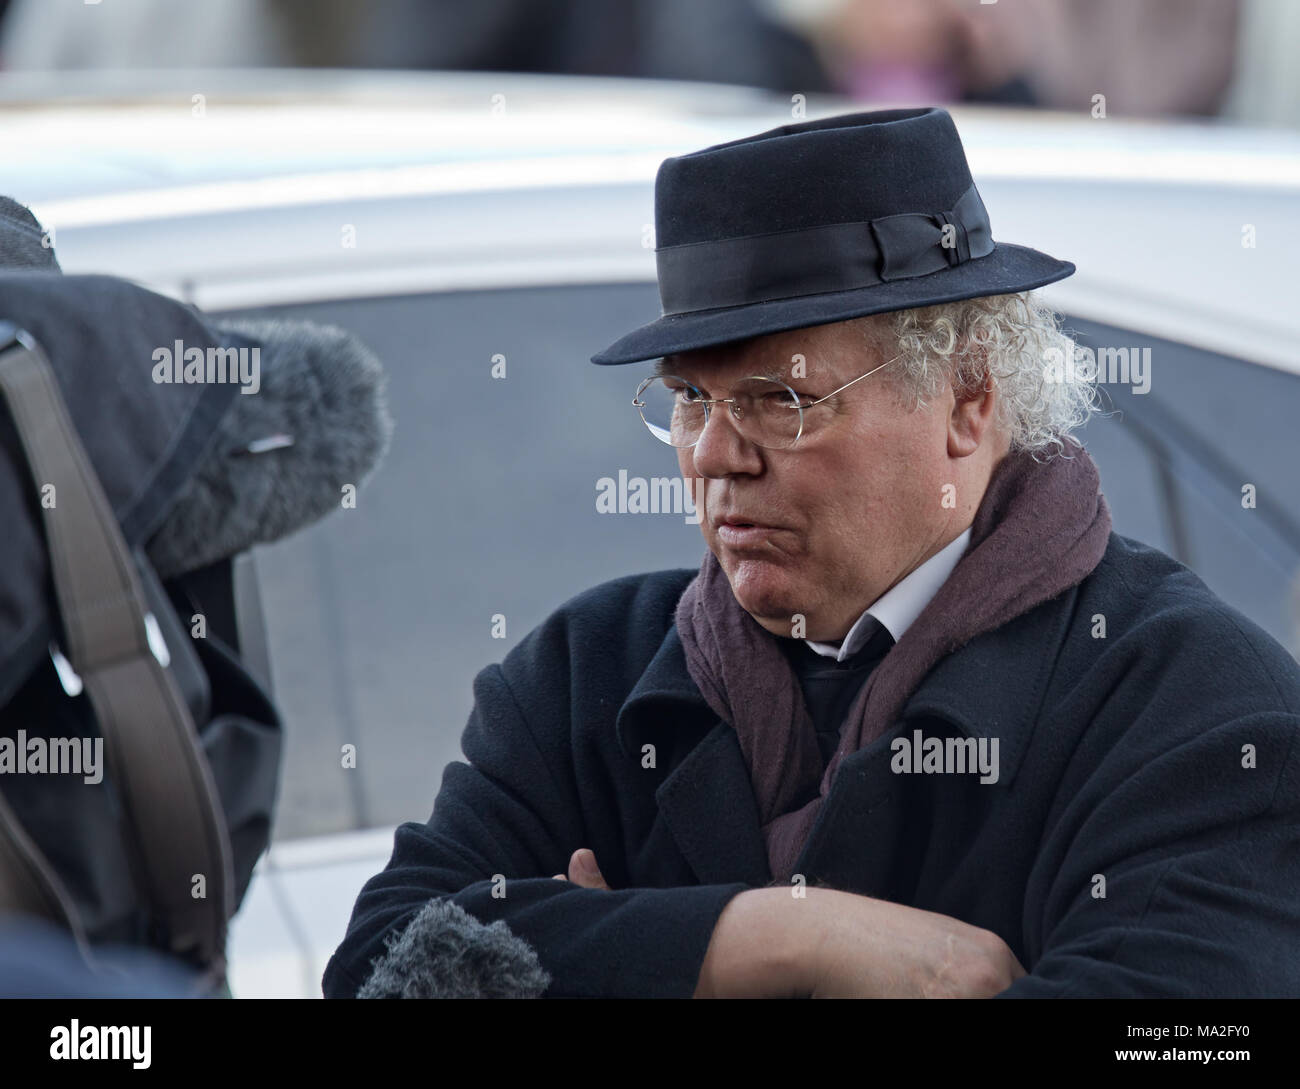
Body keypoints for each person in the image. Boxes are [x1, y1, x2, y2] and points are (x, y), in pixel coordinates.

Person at [324, 107, 1300, 999]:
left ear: (966, 399)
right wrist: (783, 939)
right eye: (689, 399)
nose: (711, 454)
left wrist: (620, 951)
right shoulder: (584, 674)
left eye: (779, 401)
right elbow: (383, 965)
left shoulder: (1201, 709)